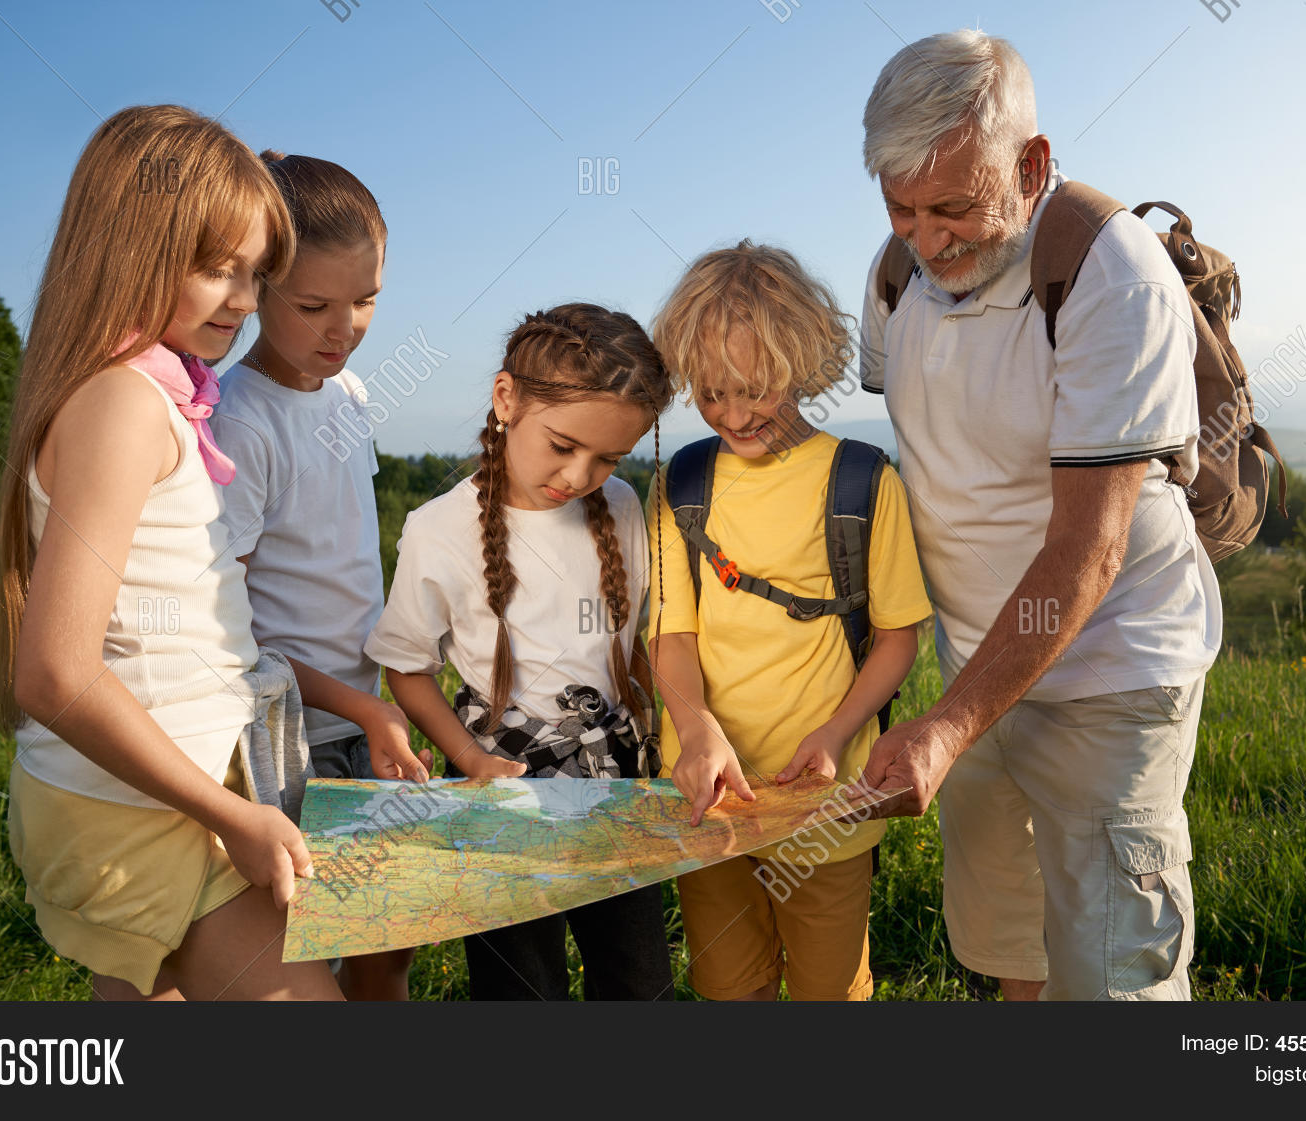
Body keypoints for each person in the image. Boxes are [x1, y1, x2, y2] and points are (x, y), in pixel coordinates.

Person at [853, 30, 1220, 1000]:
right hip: (971, 675)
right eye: (901, 208)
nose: (929, 239)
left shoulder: (1111, 272)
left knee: (1111, 978)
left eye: (954, 208)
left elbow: (1087, 549)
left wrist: (943, 728)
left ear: (1032, 165)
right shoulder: (894, 275)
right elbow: (937, 467)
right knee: (1010, 952)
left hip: (1109, 676)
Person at [0, 105, 342, 1001]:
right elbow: (55, 673)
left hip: (147, 796)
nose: (246, 299)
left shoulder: (149, 393)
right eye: (217, 268)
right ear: (128, 248)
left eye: (257, 272)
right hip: (145, 812)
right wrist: (231, 814)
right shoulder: (121, 405)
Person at [363, 303, 677, 1000]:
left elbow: (639, 644)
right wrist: (470, 759)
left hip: (613, 780)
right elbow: (406, 667)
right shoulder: (438, 529)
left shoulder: (623, 506)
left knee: (639, 978)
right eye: (563, 445)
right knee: (520, 988)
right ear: (506, 399)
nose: (580, 474)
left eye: (608, 457)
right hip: (499, 788)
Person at [647, 241, 931, 1002]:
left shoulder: (863, 481)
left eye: (756, 390)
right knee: (728, 988)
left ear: (802, 364)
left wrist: (836, 734)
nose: (734, 415)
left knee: (827, 992)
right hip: (709, 797)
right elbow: (671, 634)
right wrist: (695, 731)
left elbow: (897, 638)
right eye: (711, 393)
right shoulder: (680, 483)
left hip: (824, 802)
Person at [209, 151, 427, 1002]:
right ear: (256, 284)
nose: (345, 328)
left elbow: (346, 556)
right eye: (314, 306)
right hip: (292, 735)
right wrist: (364, 707)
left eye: (366, 299)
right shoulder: (239, 419)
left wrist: (385, 696)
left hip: (369, 717)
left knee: (391, 946)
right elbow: (230, 630)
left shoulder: (352, 395)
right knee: (310, 953)